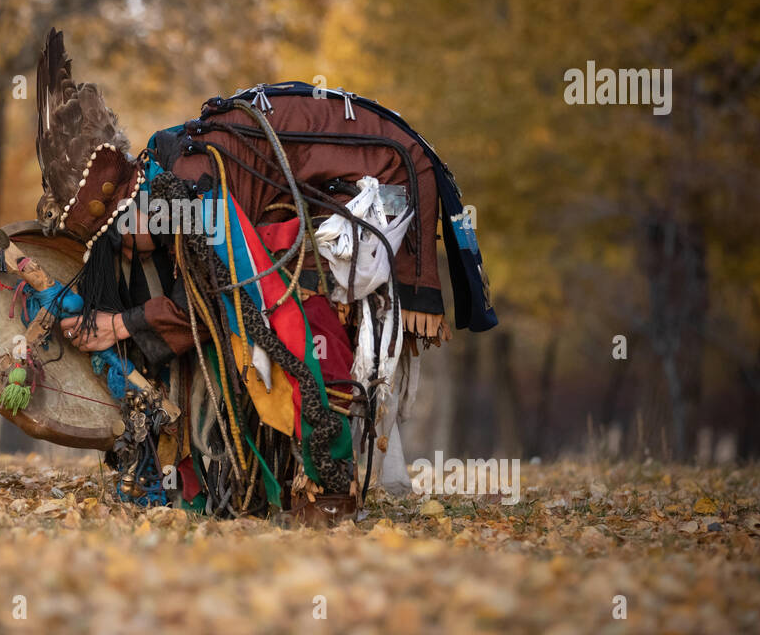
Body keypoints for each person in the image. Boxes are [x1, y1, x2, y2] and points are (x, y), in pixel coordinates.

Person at [33, 28, 494, 517]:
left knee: (293, 312)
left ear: (132, 211)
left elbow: (213, 297)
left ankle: (326, 488)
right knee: (265, 285)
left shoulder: (189, 184)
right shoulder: (173, 167)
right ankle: (268, 487)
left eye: (121, 244)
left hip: (394, 170)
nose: (131, 256)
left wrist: (120, 325)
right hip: (354, 171)